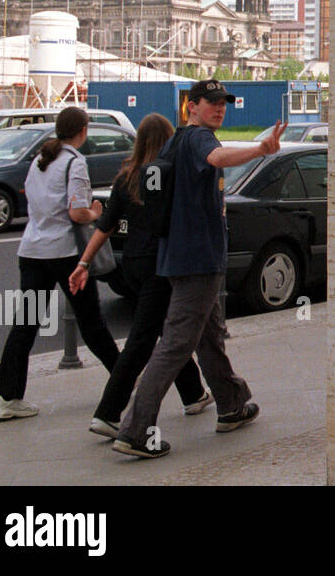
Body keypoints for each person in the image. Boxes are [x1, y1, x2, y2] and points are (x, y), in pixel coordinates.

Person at [113, 78, 286, 458]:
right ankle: (134, 430)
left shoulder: (175, 141)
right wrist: (260, 149)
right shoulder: (200, 139)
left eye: (223, 102)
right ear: (191, 106)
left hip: (177, 256)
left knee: (208, 337)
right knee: (176, 344)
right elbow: (218, 158)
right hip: (198, 258)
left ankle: (231, 404)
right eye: (211, 102)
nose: (219, 108)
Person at [68, 113, 212, 440]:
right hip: (160, 265)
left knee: (166, 329)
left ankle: (194, 393)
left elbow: (105, 226)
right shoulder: (169, 175)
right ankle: (108, 412)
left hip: (133, 264)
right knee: (142, 340)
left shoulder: (127, 178)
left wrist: (84, 263)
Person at [0, 107, 121, 420]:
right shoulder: (75, 163)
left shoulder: (40, 160)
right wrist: (95, 213)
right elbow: (77, 213)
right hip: (65, 253)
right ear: (83, 131)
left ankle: (5, 397)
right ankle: (123, 377)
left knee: (26, 323)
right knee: (91, 322)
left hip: (32, 250)